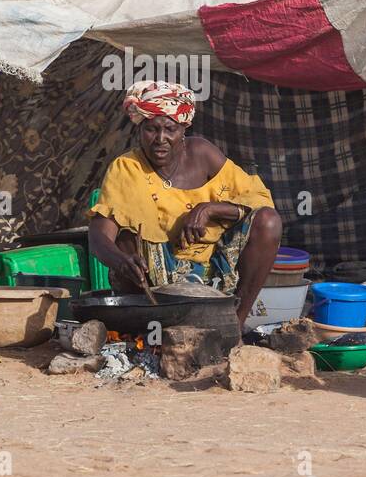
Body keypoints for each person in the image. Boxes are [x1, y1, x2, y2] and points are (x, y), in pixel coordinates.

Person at [87, 81, 283, 330]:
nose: (161, 139)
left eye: (170, 129)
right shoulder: (127, 167)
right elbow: (98, 237)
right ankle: (151, 329)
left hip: (213, 271)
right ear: (139, 130)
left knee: (268, 221)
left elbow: (258, 197)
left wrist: (208, 209)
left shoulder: (202, 153)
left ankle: (234, 325)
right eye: (151, 129)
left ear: (183, 129)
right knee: (126, 235)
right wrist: (121, 262)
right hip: (155, 279)